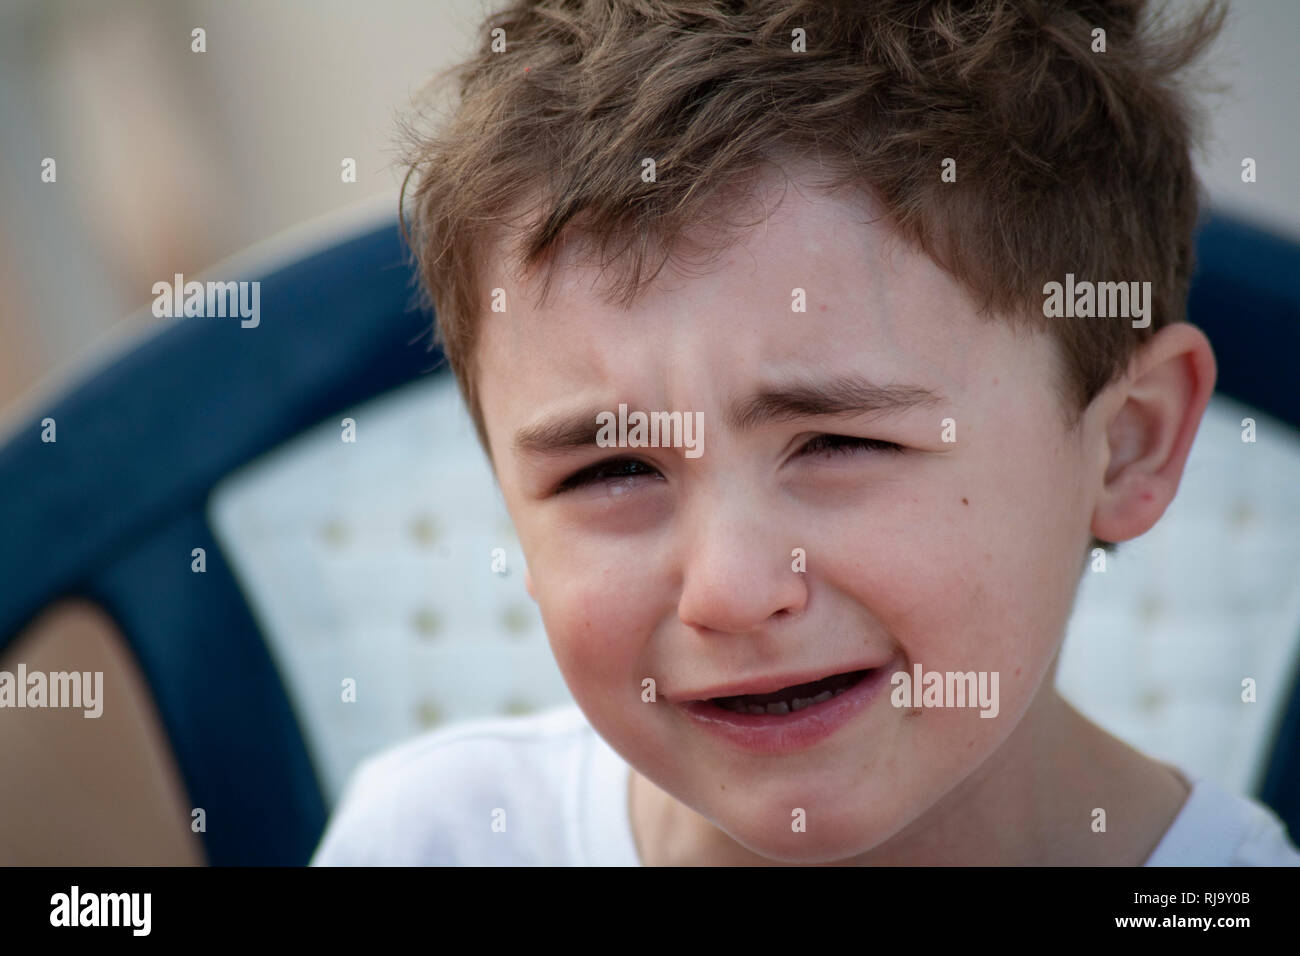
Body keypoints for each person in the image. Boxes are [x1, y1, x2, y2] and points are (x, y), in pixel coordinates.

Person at [312, 0, 1300, 865]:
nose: (732, 591)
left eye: (839, 444)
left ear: (1125, 443)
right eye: (610, 468)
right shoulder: (432, 841)